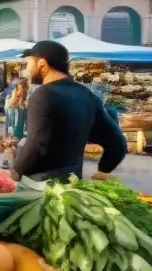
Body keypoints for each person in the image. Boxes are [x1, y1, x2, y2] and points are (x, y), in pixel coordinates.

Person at [13, 41, 126, 182]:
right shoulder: (87, 95)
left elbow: (37, 144)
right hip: (72, 185)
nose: (27, 69)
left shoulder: (43, 95)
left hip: (40, 186)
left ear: (42, 64)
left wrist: (17, 170)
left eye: (29, 63)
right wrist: (104, 169)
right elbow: (117, 142)